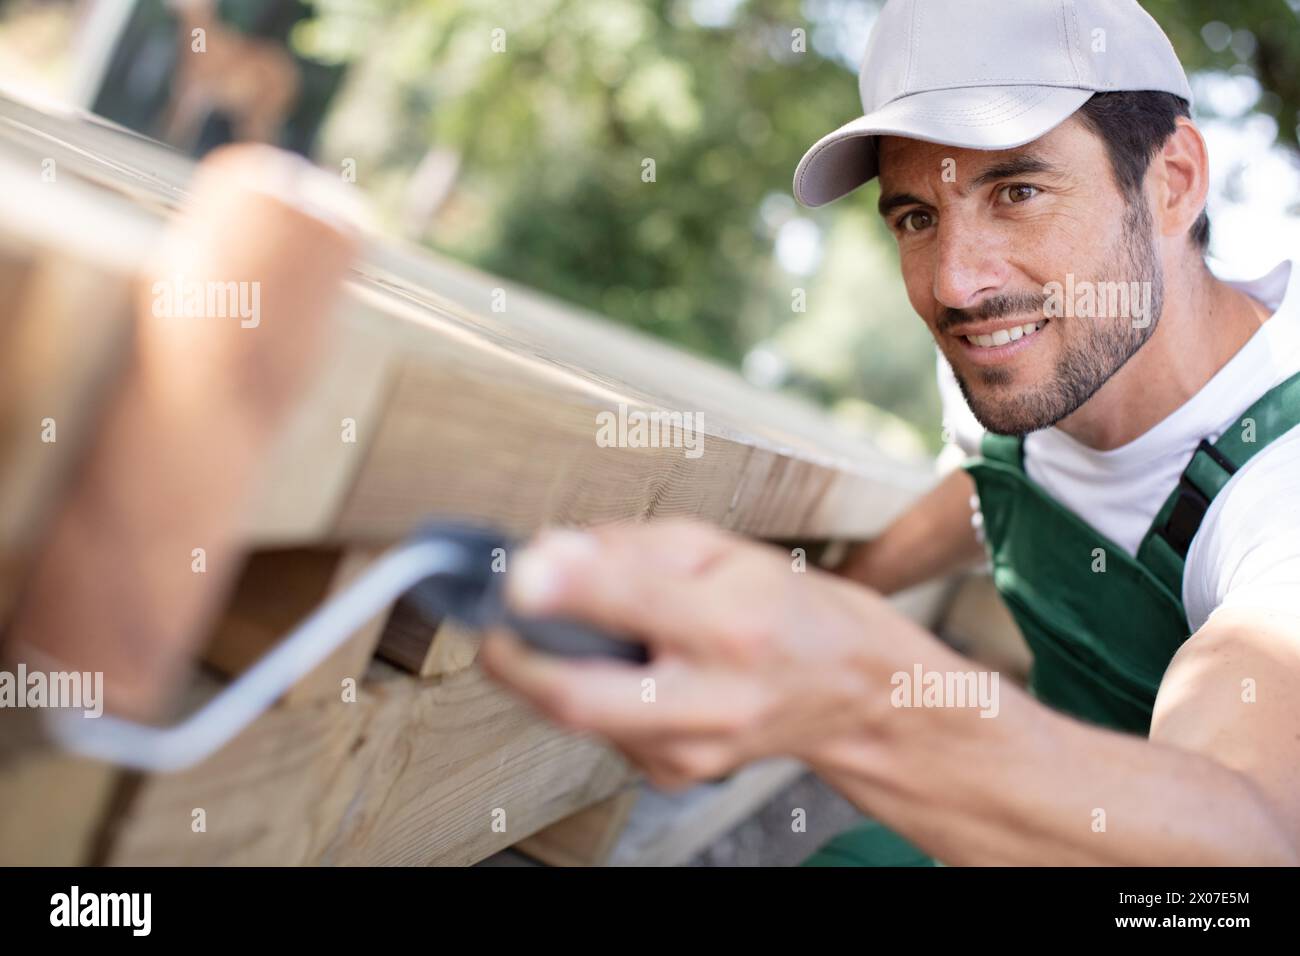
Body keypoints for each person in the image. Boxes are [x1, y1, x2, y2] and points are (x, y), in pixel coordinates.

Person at [480, 0, 1300, 865]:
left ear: (1171, 181)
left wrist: (855, 696)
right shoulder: (1024, 364)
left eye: (1018, 191)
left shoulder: (1277, 490)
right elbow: (984, 483)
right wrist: (830, 599)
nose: (955, 282)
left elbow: (1247, 849)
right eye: (916, 217)